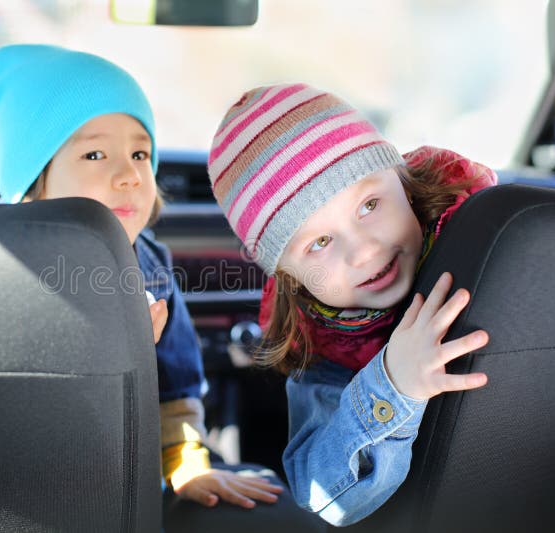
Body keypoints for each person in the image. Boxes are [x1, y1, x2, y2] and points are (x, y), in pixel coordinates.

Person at [0, 44, 289, 516]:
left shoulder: (149, 267)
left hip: (123, 485)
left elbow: (176, 391)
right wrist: (108, 354)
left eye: (140, 153)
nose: (129, 174)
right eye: (94, 154)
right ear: (31, 183)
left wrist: (186, 464)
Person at [207, 83, 497, 526]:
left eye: (369, 205)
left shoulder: (490, 242)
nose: (363, 252)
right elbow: (321, 494)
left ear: (403, 181)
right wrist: (393, 386)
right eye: (319, 242)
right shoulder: (324, 349)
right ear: (289, 276)